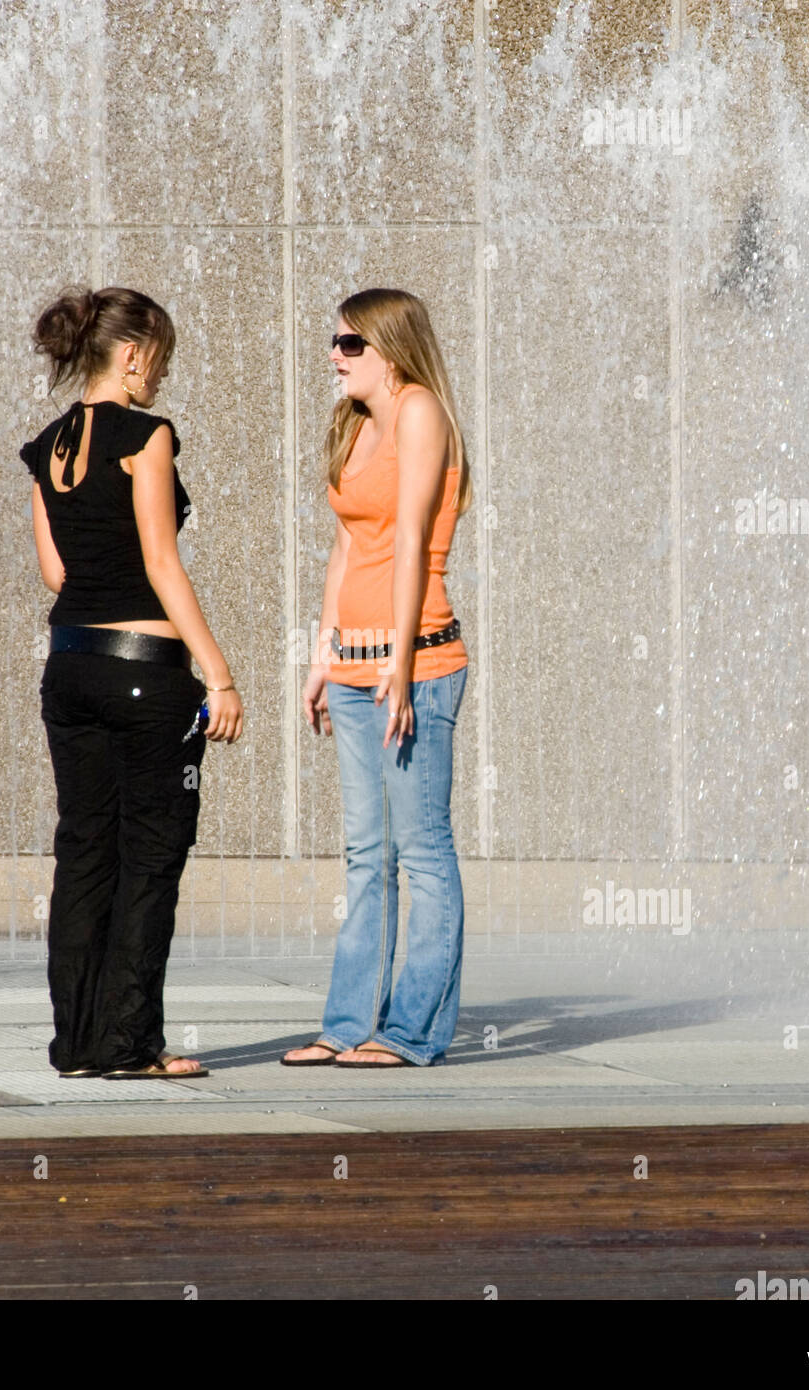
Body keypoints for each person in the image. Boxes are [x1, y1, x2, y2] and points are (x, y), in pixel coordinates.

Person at [21, 286, 243, 1080]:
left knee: (83, 852)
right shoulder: (146, 436)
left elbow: (55, 572)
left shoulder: (46, 445)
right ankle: (129, 1046)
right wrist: (218, 674)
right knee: (149, 856)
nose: (160, 379)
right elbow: (160, 561)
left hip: (70, 667)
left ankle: (76, 1046)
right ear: (134, 353)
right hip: (146, 673)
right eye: (161, 363)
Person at [286, 288, 471, 1068]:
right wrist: (323, 655)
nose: (335, 354)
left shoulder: (421, 411)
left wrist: (397, 659)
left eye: (350, 344)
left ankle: (411, 1031)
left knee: (422, 851)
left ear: (390, 350)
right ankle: (347, 1023)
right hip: (358, 665)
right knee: (368, 854)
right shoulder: (353, 424)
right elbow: (344, 550)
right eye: (334, 341)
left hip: (417, 663)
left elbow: (410, 545)